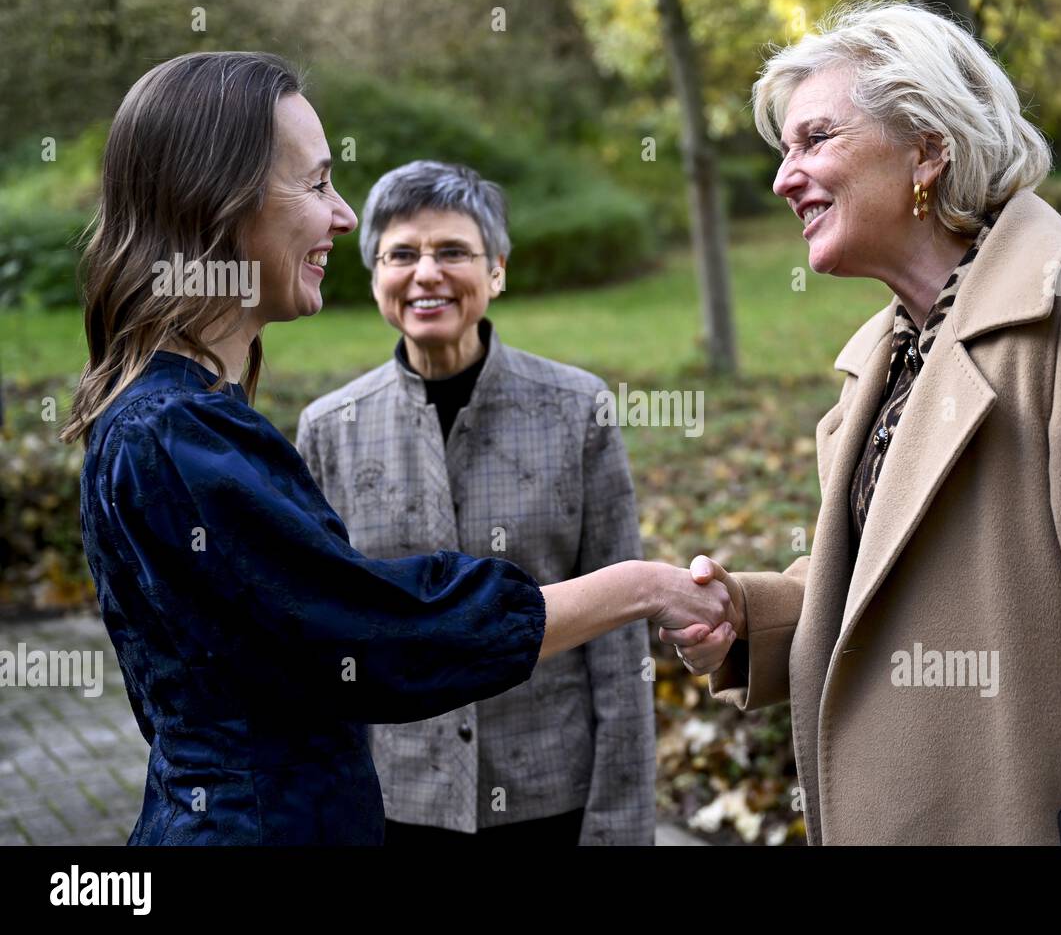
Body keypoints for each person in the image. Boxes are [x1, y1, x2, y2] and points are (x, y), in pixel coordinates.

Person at [61, 51, 735, 845]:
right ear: (216, 199)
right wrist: (643, 587)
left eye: (452, 252)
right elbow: (382, 635)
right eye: (316, 185)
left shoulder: (188, 421)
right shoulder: (174, 437)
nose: (343, 217)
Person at [667, 0, 1061, 845]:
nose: (784, 179)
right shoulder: (888, 355)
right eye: (784, 149)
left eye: (815, 140)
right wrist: (751, 620)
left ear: (930, 146)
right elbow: (899, 586)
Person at [297, 160, 654, 846]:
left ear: (497, 270)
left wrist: (620, 824)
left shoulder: (577, 409)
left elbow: (620, 630)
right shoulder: (329, 428)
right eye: (401, 254)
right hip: (396, 801)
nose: (426, 274)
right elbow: (323, 640)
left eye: (453, 252)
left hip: (549, 795)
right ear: (375, 276)